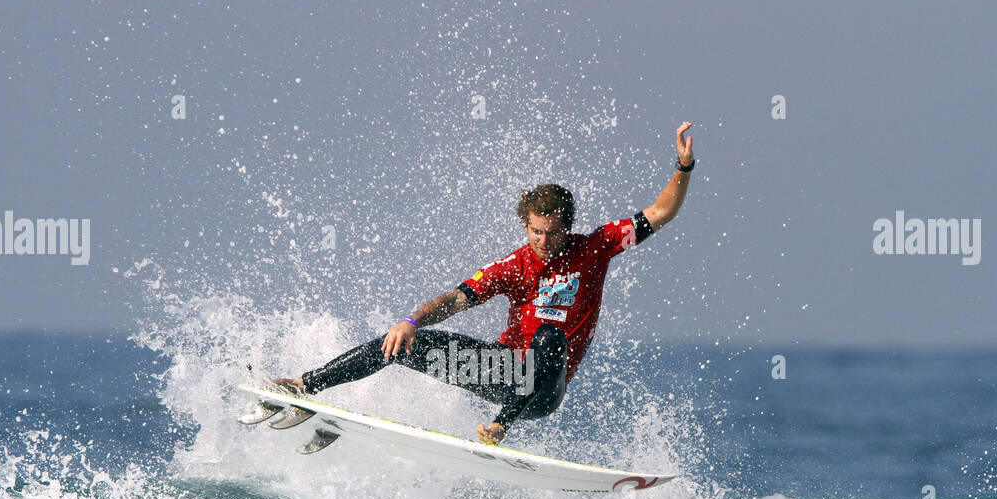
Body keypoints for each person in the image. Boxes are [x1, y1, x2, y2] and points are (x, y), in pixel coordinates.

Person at [263, 121, 695, 445]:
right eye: (536, 232)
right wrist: (411, 320)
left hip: (544, 390)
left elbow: (660, 212)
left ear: (569, 227)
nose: (544, 242)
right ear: (525, 226)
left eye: (554, 232)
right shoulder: (514, 265)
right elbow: (456, 299)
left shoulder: (595, 247)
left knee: (550, 337)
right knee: (403, 342)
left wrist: (683, 165)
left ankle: (499, 426)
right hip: (501, 373)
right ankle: (305, 388)